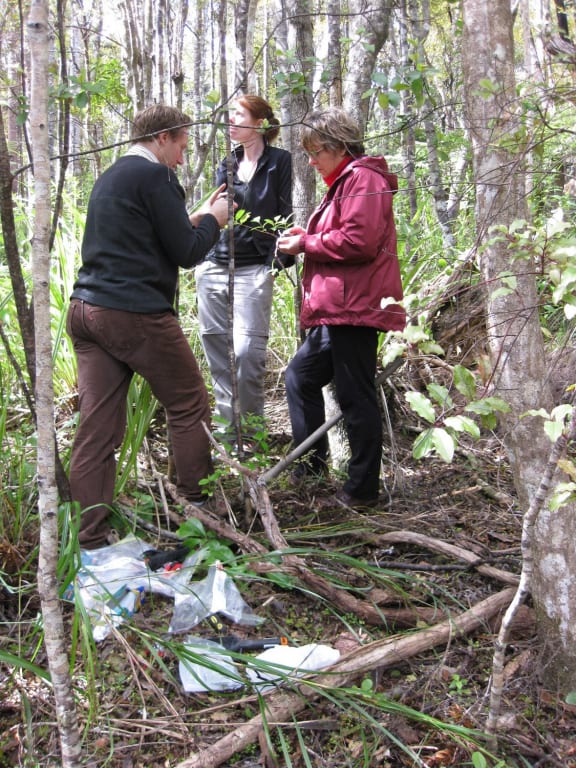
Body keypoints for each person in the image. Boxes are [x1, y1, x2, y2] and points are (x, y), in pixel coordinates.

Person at [67, 104, 231, 550]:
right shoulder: (156, 177)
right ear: (162, 138)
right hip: (132, 312)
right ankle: (195, 510)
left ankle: (88, 540)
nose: (182, 157)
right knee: (189, 403)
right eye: (180, 145)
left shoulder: (113, 176)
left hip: (85, 309)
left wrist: (194, 217)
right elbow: (185, 252)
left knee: (97, 426)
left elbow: (145, 237)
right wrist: (216, 219)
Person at [277, 107, 406, 508]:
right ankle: (311, 470)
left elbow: (359, 242)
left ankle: (361, 490)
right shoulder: (346, 182)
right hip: (340, 309)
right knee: (300, 377)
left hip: (356, 308)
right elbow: (345, 233)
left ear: (337, 147)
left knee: (355, 396)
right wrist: (309, 234)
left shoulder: (363, 178)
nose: (312, 161)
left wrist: (306, 244)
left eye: (317, 152)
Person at [195, 95, 292, 430]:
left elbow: (286, 212)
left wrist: (277, 261)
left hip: (255, 268)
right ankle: (227, 431)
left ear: (260, 122)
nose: (231, 120)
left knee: (248, 352)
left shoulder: (280, 161)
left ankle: (251, 433)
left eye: (239, 114)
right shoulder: (227, 162)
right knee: (217, 349)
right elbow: (219, 211)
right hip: (214, 265)